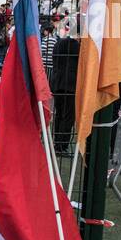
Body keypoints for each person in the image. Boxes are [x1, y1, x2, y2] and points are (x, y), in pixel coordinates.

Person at [50, 25, 80, 155]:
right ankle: (62, 146)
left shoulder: (58, 44)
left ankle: (57, 142)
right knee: (68, 116)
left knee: (59, 114)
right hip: (70, 85)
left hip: (57, 83)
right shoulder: (77, 47)